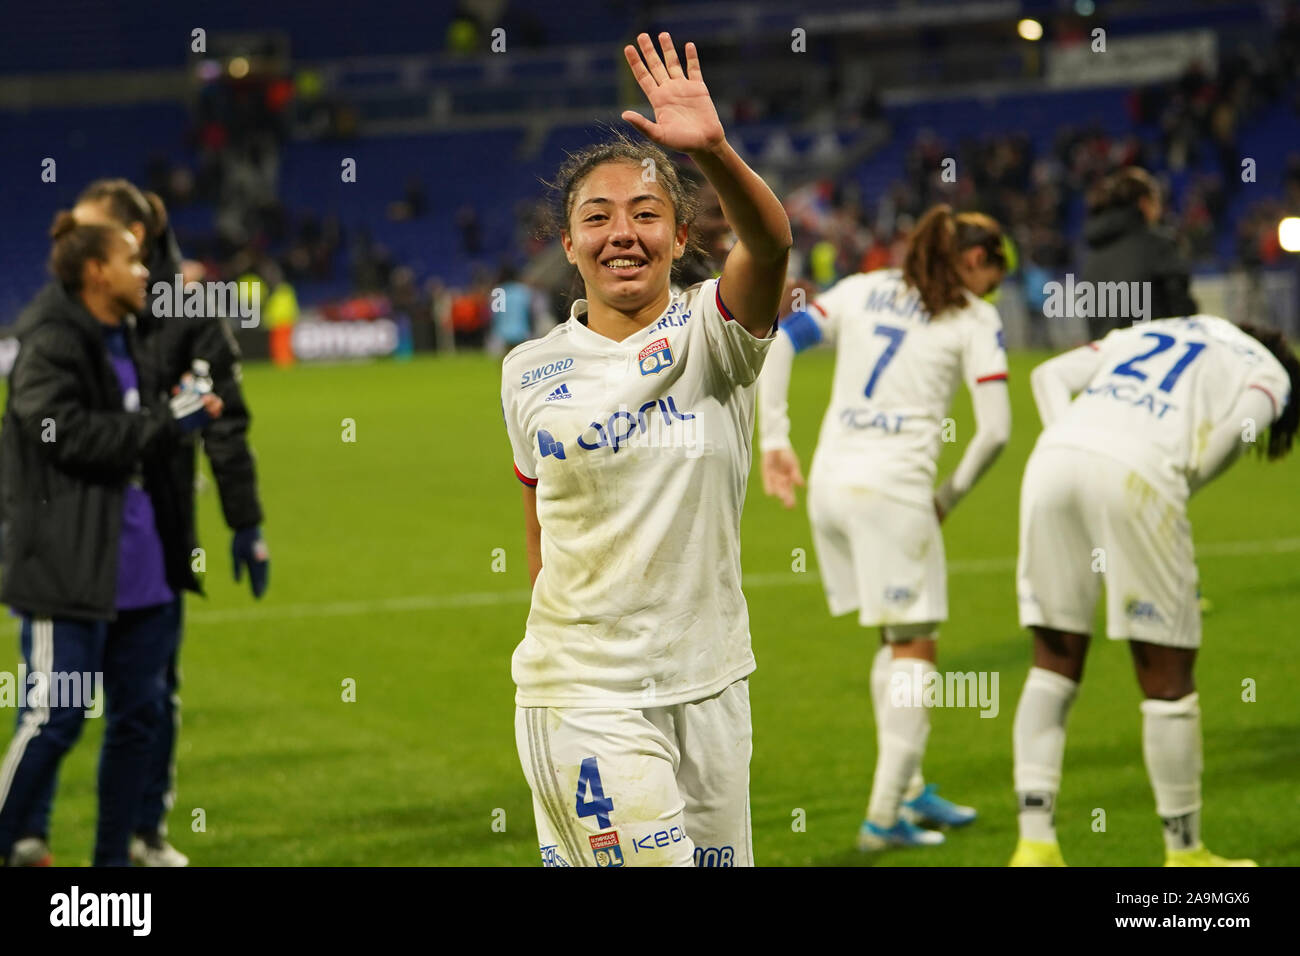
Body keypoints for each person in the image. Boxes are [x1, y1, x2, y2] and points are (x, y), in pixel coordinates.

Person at [500, 32, 790, 867]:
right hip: (586, 693)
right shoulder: (529, 370)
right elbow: (540, 530)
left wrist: (716, 152)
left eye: (646, 214)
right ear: (567, 242)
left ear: (678, 236)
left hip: (711, 684)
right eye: (597, 216)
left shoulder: (714, 335)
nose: (621, 233)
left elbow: (769, 247)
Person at [8, 179, 268, 868]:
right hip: (72, 551)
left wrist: (245, 520)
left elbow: (224, 418)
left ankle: (129, 850)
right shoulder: (60, 329)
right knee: (53, 710)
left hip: (149, 543)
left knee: (145, 707)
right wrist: (164, 420)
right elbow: (55, 434)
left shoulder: (162, 315)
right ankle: (24, 829)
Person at [758, 205, 1012, 851]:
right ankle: (881, 819)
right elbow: (996, 432)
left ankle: (909, 785)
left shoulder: (865, 287)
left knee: (892, 637)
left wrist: (775, 438)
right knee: (917, 647)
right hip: (894, 494)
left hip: (833, 486)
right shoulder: (974, 318)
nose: (993, 292)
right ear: (977, 263)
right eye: (995, 278)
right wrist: (947, 499)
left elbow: (783, 338)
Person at [1010, 315, 1297, 867]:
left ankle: (1035, 845)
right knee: (1167, 677)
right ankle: (1184, 854)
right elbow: (1237, 431)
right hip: (1142, 476)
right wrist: (1182, 482)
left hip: (1052, 460)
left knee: (1052, 663)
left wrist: (1066, 437)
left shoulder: (1153, 328)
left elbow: (1047, 375)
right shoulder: (1269, 372)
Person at [1080, 166, 1198, 338]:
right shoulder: (1159, 245)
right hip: (1153, 356)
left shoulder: (1093, 254)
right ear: (1143, 203)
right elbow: (1182, 310)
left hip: (1109, 359)